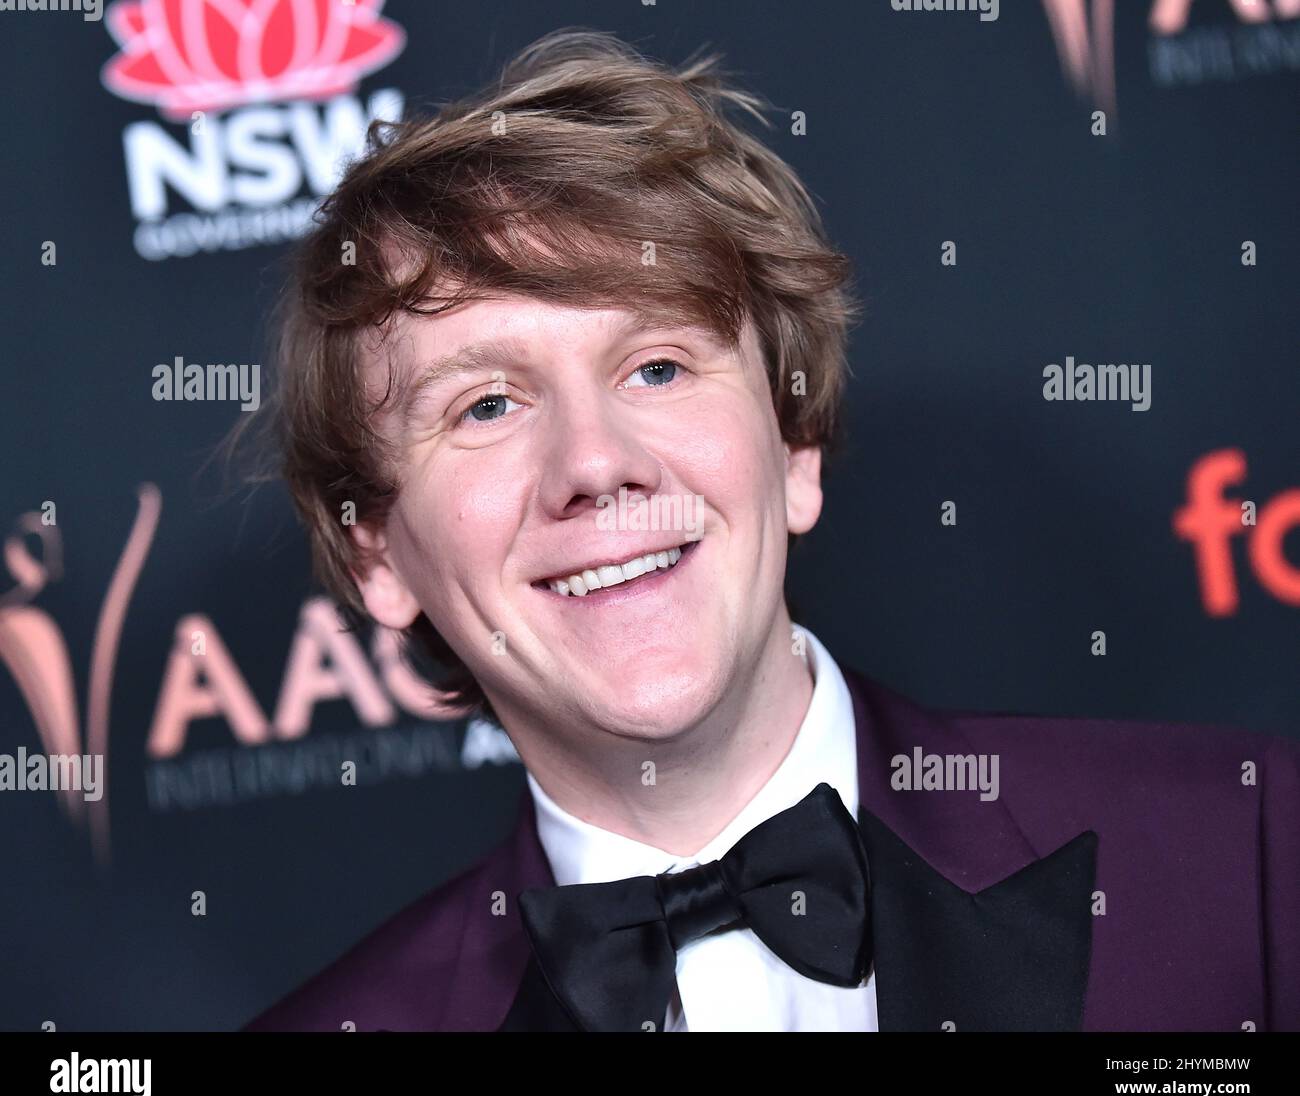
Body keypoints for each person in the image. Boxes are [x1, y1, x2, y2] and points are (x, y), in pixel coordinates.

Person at [244, 29, 1298, 1032]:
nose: (595, 464)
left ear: (793, 445)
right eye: (485, 406)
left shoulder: (1244, 853)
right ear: (373, 552)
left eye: (656, 366)